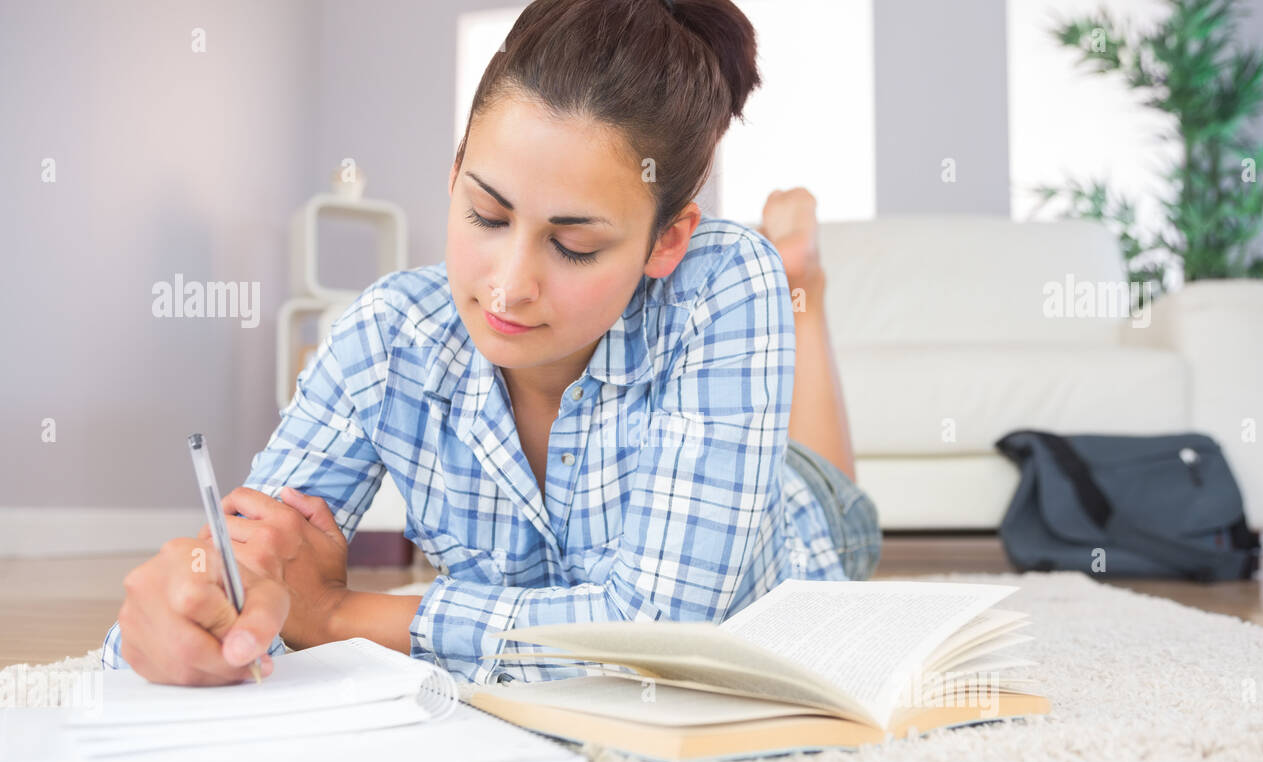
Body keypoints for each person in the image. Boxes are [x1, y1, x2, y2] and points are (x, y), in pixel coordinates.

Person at [101, 0, 881, 687]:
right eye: (487, 214)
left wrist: (337, 616)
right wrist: (189, 616)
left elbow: (659, 632)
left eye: (573, 245)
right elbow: (252, 577)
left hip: (803, 519)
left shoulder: (721, 279)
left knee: (827, 487)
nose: (508, 288)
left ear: (666, 239)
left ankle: (803, 285)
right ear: (455, 176)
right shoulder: (390, 336)